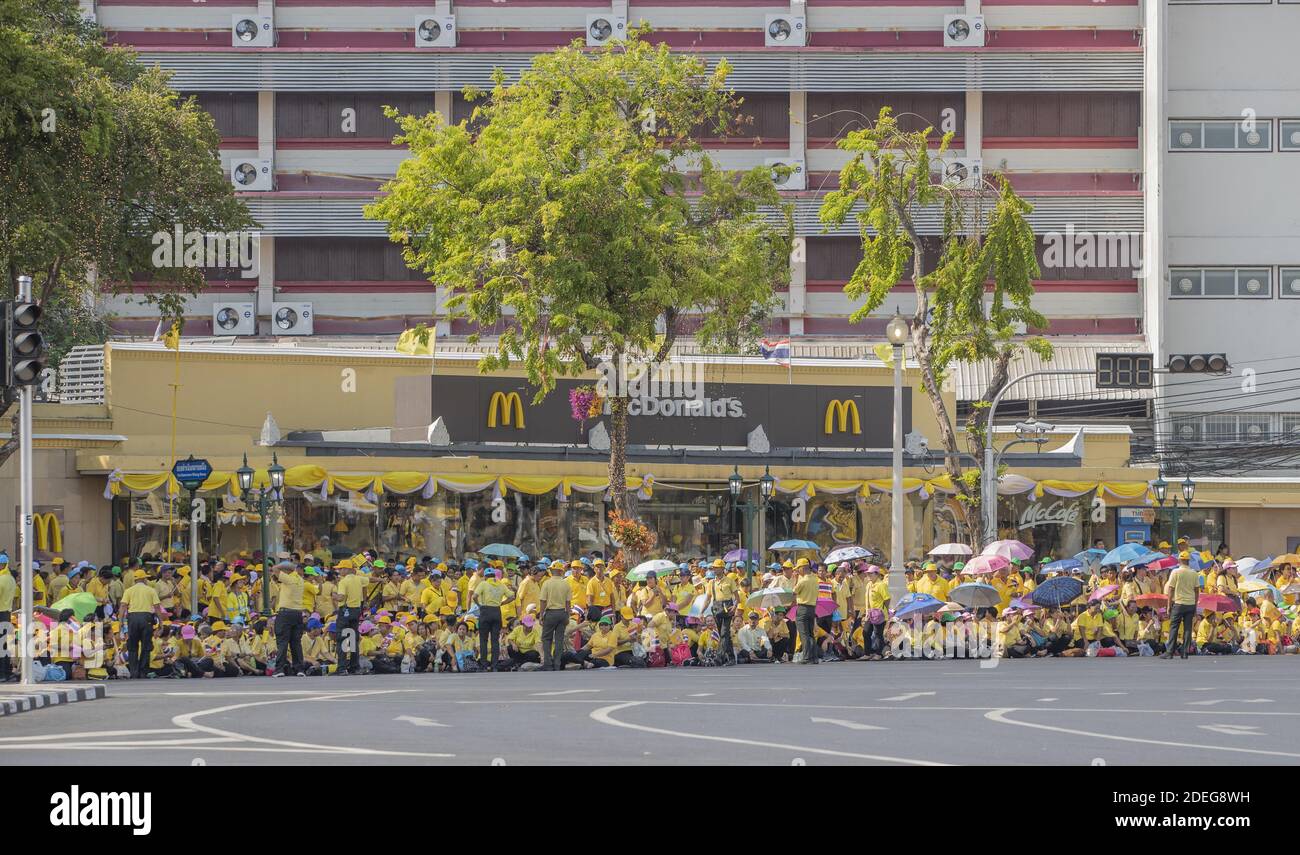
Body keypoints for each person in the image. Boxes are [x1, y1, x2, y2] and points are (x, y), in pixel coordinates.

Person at [121, 569, 163, 678]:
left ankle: (134, 672)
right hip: (146, 618)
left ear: (135, 579)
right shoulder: (151, 590)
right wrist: (161, 623)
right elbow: (157, 607)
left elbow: (123, 606)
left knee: (132, 646)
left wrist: (121, 621)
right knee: (146, 645)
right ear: (144, 579)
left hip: (133, 618)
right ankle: (143, 672)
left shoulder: (128, 591)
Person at [472, 566, 512, 671]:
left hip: (485, 611)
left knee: (483, 640)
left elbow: (474, 596)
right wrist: (502, 603)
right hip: (496, 611)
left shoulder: (483, 584)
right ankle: (494, 666)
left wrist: (479, 605)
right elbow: (512, 596)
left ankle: (484, 665)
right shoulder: (501, 584)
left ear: (485, 576)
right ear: (494, 576)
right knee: (495, 641)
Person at [272, 561, 306, 677]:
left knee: (282, 642)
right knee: (296, 643)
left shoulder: (288, 579)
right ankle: (299, 669)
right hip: (297, 614)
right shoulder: (301, 580)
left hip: (285, 613)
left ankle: (279, 669)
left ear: (287, 571)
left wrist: (286, 565)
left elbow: (275, 568)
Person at [1162, 559, 1199, 660]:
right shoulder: (1194, 573)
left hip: (1178, 603)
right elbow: (1197, 591)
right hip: (1190, 604)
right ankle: (1185, 652)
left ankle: (1170, 652)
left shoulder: (1175, 572)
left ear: (1180, 561)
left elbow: (1170, 589)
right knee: (1188, 628)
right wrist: (1195, 606)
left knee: (1174, 627)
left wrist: (1169, 606)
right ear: (1188, 561)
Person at [538, 560, 571, 671]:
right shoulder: (566, 583)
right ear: (561, 571)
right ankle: (557, 664)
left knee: (546, 638)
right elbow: (568, 602)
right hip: (562, 613)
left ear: (552, 570)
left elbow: (543, 601)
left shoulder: (547, 583)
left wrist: (541, 615)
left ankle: (548, 663)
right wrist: (568, 615)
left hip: (551, 613)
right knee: (559, 639)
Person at [793, 560, 820, 664]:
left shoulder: (803, 581)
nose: (797, 572)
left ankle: (806, 657)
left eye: (798, 569)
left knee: (803, 634)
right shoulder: (815, 578)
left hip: (803, 608)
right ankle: (814, 657)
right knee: (810, 634)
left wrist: (796, 579)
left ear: (803, 568)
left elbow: (794, 592)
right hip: (812, 608)